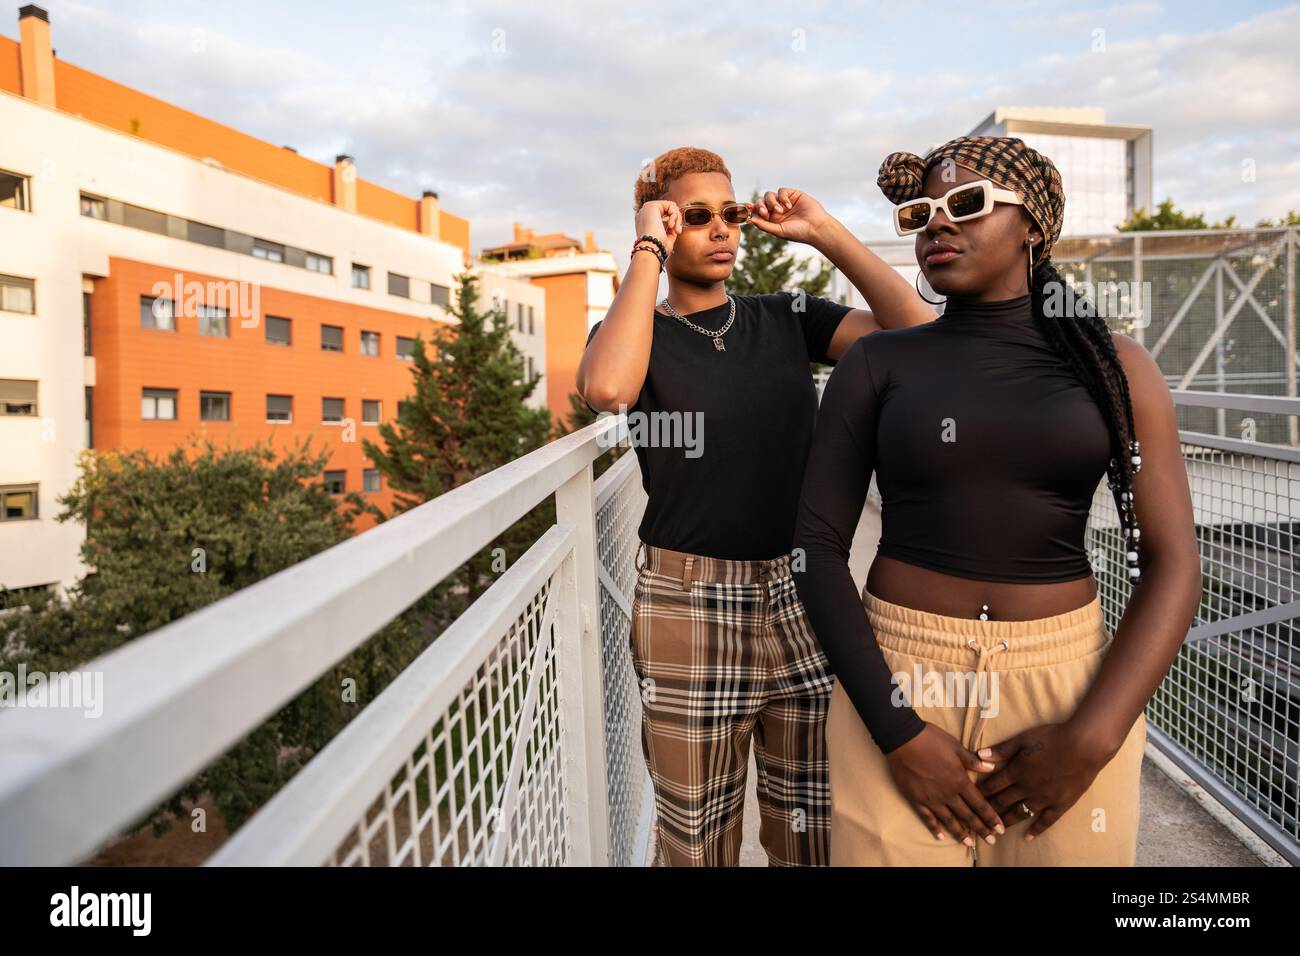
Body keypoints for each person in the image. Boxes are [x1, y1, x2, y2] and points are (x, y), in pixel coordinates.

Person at [791, 136, 1202, 866]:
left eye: (969, 205)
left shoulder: (1116, 367)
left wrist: (1089, 740)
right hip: (898, 679)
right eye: (922, 214)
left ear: (1033, 226)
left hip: (1068, 691)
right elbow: (815, 551)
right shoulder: (876, 362)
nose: (938, 225)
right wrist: (900, 733)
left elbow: (1171, 564)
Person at [576, 146, 933, 866]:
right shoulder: (638, 336)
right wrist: (646, 242)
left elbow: (916, 333)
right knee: (695, 841)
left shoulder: (784, 318)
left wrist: (825, 231)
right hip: (687, 607)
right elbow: (609, 391)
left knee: (810, 836)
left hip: (806, 596)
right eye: (694, 216)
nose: (721, 229)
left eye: (730, 214)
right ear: (663, 227)